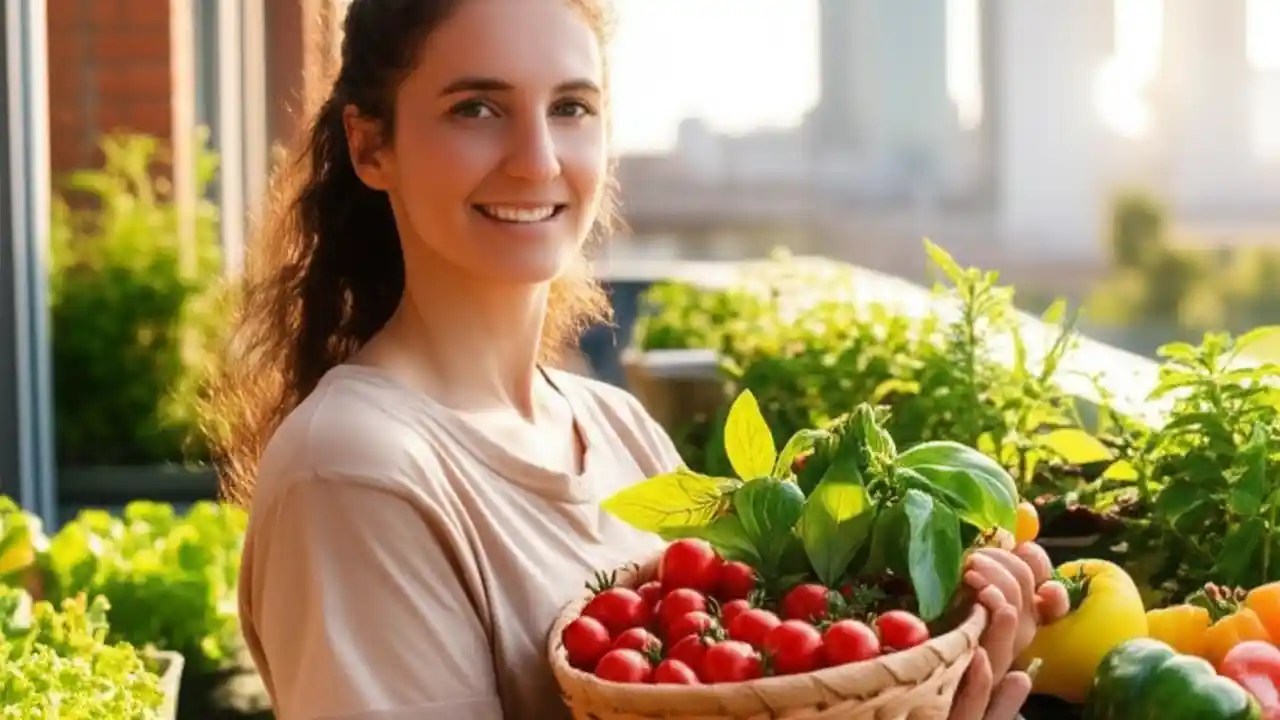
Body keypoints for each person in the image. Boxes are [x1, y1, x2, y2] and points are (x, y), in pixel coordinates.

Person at [207, 1, 1070, 718]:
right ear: (371, 147)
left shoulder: (613, 428)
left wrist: (937, 653)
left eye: (571, 108)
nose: (537, 159)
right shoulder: (357, 471)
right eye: (477, 107)